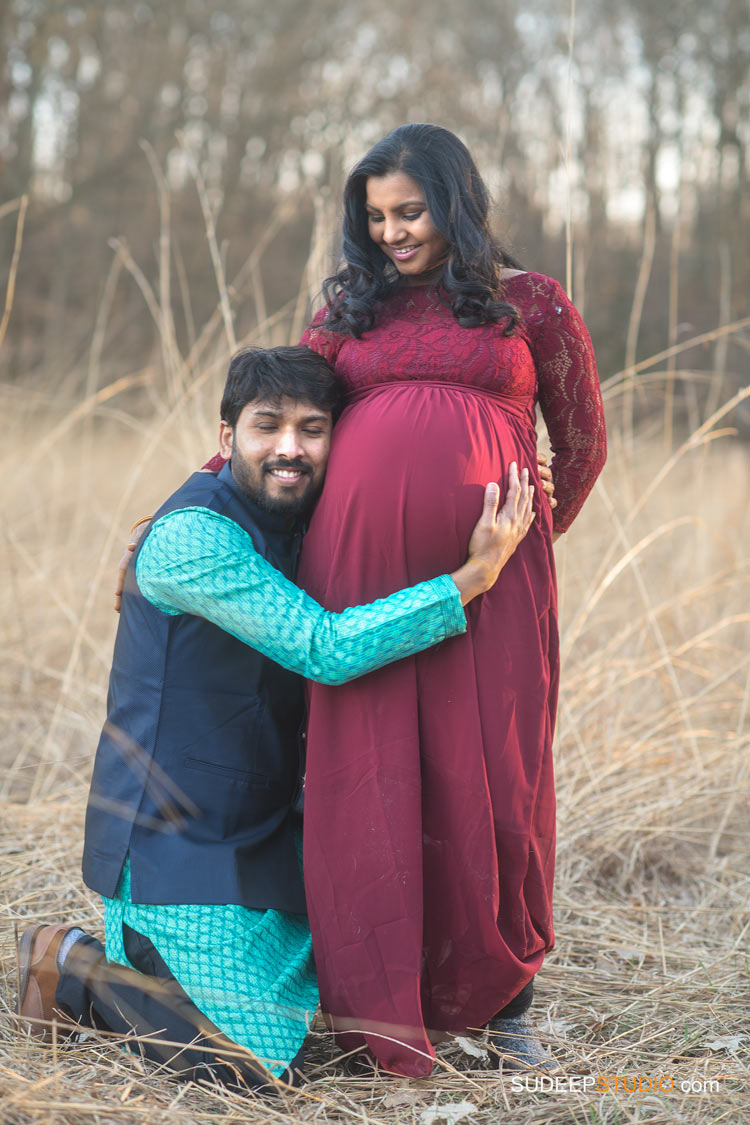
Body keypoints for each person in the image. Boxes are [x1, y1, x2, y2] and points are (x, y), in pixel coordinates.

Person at [16, 345, 537, 1090]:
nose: (290, 446)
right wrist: (470, 579)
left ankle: (177, 980)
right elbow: (322, 647)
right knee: (246, 1073)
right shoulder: (194, 538)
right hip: (176, 838)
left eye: (312, 428)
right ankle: (74, 963)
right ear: (227, 438)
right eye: (267, 426)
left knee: (292, 1038)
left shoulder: (305, 511)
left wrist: (525, 471)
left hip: (267, 824)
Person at [293, 123, 608, 1077]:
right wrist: (194, 513)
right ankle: (378, 993)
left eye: (411, 211)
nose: (391, 232)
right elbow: (286, 420)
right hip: (357, 587)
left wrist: (522, 551)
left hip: (495, 590)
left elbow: (582, 442)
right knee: (371, 776)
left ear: (457, 201)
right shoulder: (348, 306)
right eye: (376, 215)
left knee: (496, 777)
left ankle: (505, 996)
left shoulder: (530, 306)